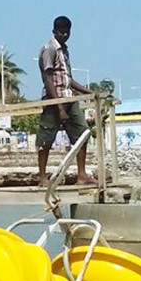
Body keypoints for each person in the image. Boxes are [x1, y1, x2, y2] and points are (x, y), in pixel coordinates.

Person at [37, 15, 96, 188]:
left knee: (82, 134)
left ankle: (82, 175)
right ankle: (42, 177)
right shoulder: (50, 49)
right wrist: (59, 107)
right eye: (61, 32)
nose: (64, 35)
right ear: (54, 31)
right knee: (45, 139)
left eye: (66, 32)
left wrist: (89, 92)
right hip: (53, 100)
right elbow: (48, 79)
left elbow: (68, 79)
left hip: (70, 97)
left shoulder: (65, 50)